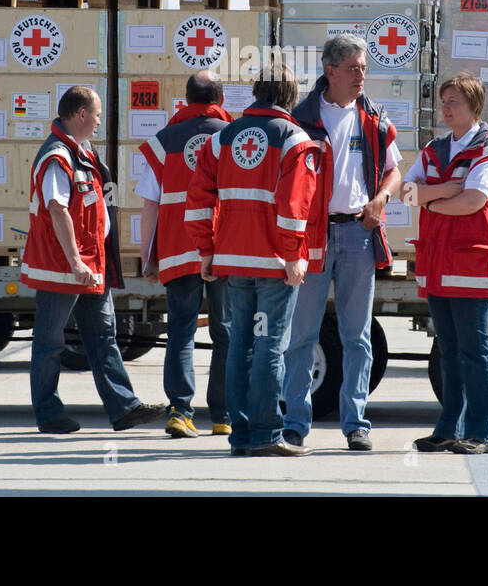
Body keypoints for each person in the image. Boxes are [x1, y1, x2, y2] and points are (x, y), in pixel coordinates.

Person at [184, 62, 328, 456]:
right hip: (273, 263)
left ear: (257, 92)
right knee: (270, 348)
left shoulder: (223, 136)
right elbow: (294, 206)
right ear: (290, 96)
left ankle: (241, 435)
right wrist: (295, 254)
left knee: (239, 345)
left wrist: (206, 250)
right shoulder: (296, 141)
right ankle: (266, 435)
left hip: (232, 260)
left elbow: (197, 200)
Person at [20, 85, 164, 434]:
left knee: (104, 338)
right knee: (50, 341)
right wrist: (75, 262)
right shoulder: (58, 155)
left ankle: (124, 408)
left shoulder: (82, 152)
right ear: (81, 115)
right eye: (97, 114)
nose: (100, 121)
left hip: (90, 266)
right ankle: (49, 414)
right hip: (64, 269)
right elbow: (58, 210)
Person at [283, 34, 402, 451]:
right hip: (313, 237)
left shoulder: (374, 117)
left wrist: (381, 198)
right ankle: (295, 423)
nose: (361, 76)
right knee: (301, 336)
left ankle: (356, 423)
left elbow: (394, 171)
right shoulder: (300, 118)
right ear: (330, 71)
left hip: (357, 233)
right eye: (353, 68)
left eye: (364, 68)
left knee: (358, 335)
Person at [401, 73, 488, 455]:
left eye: (455, 102)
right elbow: (406, 191)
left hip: (472, 263)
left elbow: (474, 201)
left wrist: (430, 201)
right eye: (444, 101)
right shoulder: (435, 148)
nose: (446, 108)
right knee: (447, 348)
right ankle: (449, 428)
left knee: (475, 348)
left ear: (474, 107)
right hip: (437, 263)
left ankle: (482, 433)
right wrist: (443, 192)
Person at [136, 71, 234, 439]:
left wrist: (148, 256)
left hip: (178, 249)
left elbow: (150, 204)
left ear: (186, 99)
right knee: (226, 331)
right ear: (220, 100)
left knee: (181, 331)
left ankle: (180, 411)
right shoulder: (234, 137)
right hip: (223, 247)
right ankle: (223, 415)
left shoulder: (164, 141)